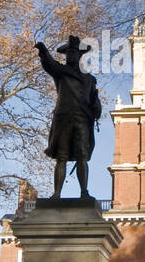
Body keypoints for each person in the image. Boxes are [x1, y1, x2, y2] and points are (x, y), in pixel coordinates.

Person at [35, 37, 102, 199]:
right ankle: (56, 194)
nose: (69, 56)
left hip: (82, 119)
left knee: (82, 156)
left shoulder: (89, 79)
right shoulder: (61, 71)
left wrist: (96, 108)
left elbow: (94, 100)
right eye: (68, 53)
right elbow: (49, 64)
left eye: (72, 52)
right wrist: (43, 52)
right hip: (64, 118)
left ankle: (84, 192)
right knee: (61, 157)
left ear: (80, 55)